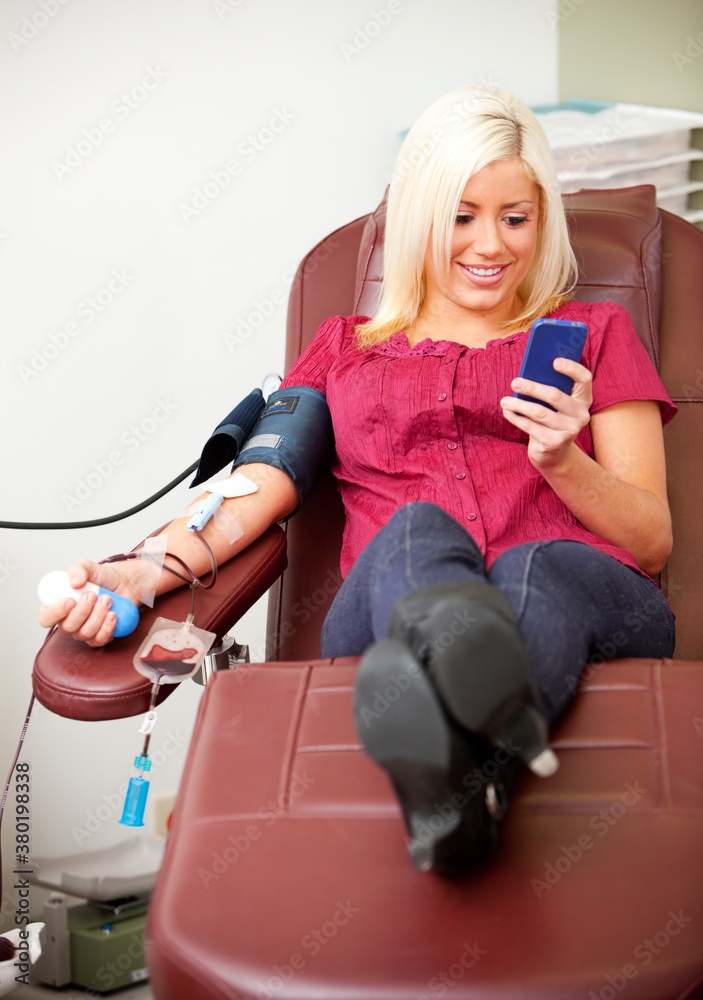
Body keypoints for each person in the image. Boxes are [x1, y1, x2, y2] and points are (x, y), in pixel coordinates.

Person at [39, 85, 676, 877]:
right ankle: (464, 778)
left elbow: (650, 540)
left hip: (581, 595)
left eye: (516, 217)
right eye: (460, 215)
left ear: (541, 217)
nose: (491, 245)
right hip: (390, 603)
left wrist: (561, 461)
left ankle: (447, 771)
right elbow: (253, 494)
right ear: (417, 216)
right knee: (416, 531)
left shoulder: (593, 335)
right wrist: (142, 567)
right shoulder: (342, 350)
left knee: (531, 565)